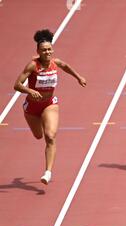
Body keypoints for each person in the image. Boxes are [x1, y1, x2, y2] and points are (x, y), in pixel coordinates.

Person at [13, 29, 86, 185]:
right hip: (32, 108)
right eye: (44, 50)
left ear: (52, 49)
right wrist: (30, 90)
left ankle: (47, 172)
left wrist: (78, 77)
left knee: (50, 136)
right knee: (39, 135)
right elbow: (17, 85)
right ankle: (40, 121)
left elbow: (65, 66)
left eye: (49, 49)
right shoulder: (33, 65)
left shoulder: (56, 63)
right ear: (38, 51)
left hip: (49, 104)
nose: (47, 52)